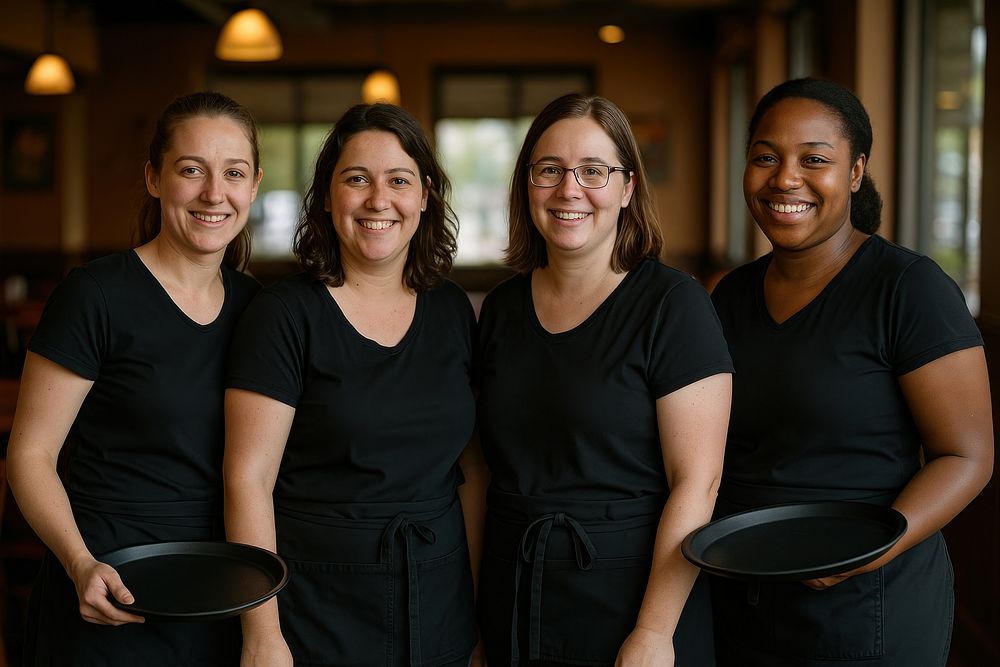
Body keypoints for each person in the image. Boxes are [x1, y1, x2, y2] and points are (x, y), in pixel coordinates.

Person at [709, 77, 994, 666]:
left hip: (868, 600)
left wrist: (865, 553)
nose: (785, 179)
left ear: (856, 171)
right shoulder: (729, 295)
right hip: (742, 588)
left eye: (814, 160)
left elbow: (966, 457)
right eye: (766, 157)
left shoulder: (909, 288)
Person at [475, 93, 733, 667]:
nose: (569, 189)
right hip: (515, 591)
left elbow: (698, 481)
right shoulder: (500, 309)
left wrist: (653, 631)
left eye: (594, 170)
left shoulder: (674, 305)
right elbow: (480, 468)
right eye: (549, 169)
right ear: (526, 184)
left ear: (627, 187)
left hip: (637, 597)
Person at [6, 91, 263, 665]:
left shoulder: (258, 307)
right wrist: (79, 563)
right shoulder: (95, 295)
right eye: (191, 169)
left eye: (233, 172)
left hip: (219, 589)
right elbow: (30, 455)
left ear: (254, 186)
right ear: (154, 178)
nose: (214, 193)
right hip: (107, 587)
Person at [224, 102, 482, 667]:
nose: (378, 200)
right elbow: (248, 480)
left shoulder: (451, 310)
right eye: (357, 179)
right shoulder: (283, 315)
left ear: (425, 197)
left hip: (439, 604)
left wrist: (479, 616)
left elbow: (473, 470)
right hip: (316, 608)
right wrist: (262, 633)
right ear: (326, 196)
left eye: (399, 180)